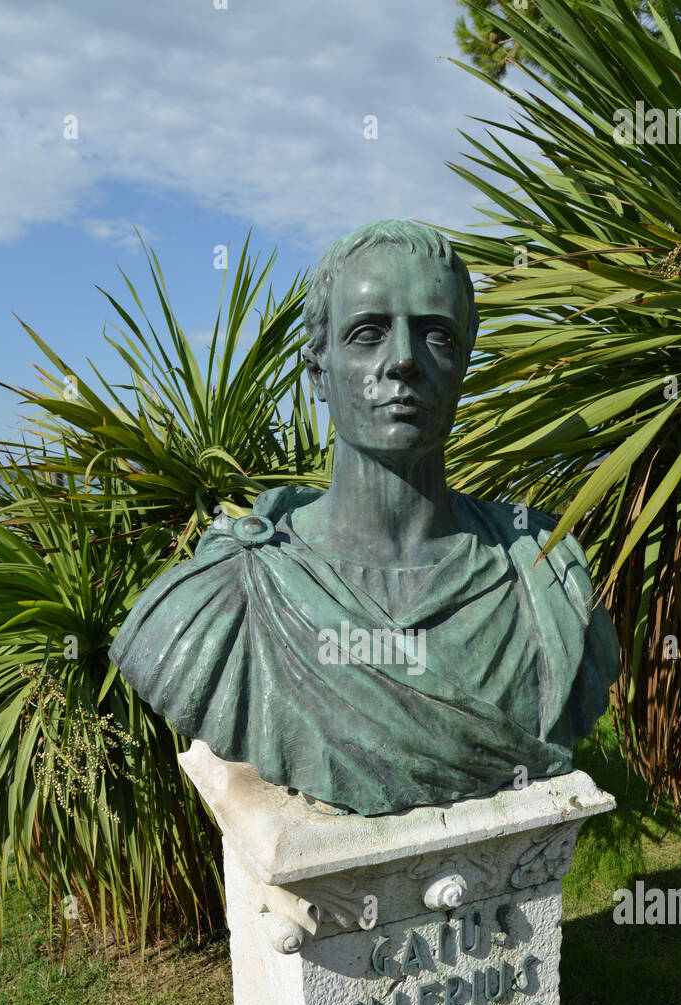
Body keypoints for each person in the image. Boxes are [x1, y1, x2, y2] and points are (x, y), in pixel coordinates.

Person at [109, 220, 620, 815]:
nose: (402, 360)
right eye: (368, 333)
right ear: (318, 372)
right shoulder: (220, 604)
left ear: (463, 366)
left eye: (436, 336)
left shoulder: (546, 578)